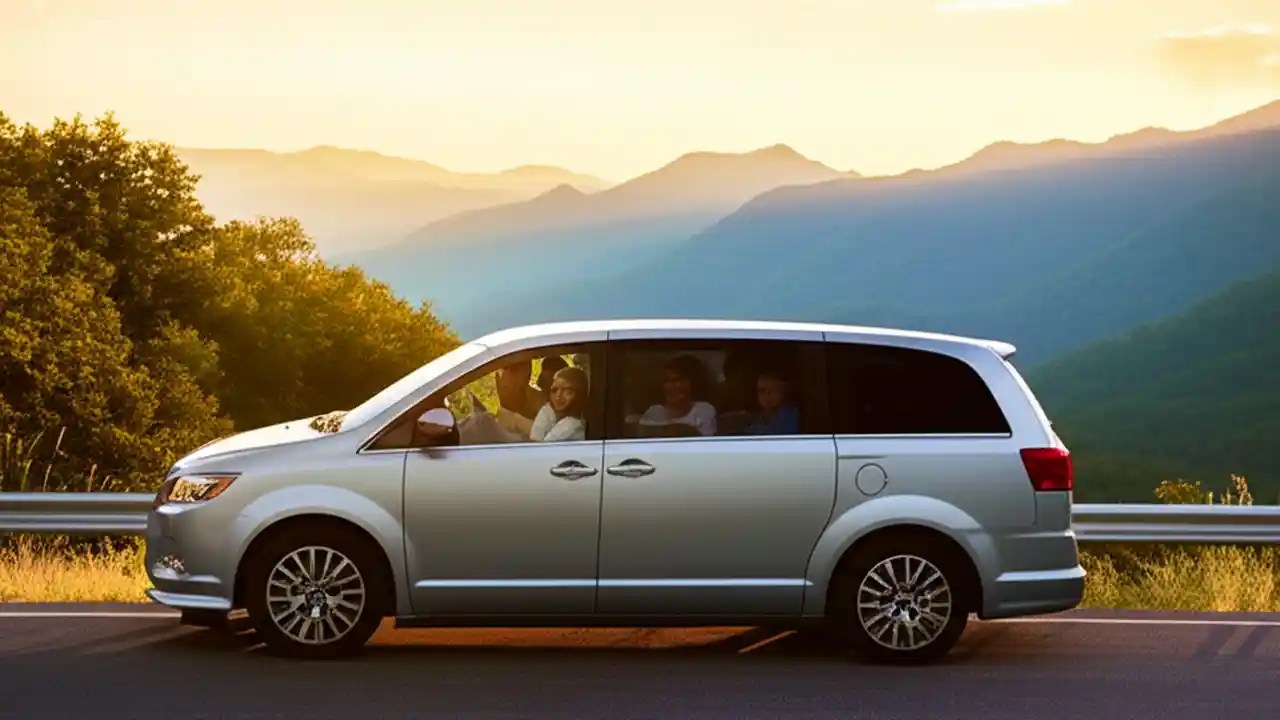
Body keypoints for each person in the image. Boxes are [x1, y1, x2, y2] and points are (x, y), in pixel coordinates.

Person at [638, 354, 717, 436]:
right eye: (667, 381)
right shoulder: (654, 412)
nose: (672, 386)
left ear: (690, 383)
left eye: (678, 380)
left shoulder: (704, 410)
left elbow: (705, 445)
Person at [529, 366, 589, 442]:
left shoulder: (573, 425)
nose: (558, 396)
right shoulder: (550, 414)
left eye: (567, 391)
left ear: (579, 394)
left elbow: (539, 448)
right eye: (554, 390)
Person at [745, 369, 801, 435]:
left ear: (783, 391)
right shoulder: (755, 421)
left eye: (773, 390)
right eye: (762, 391)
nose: (767, 395)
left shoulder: (790, 416)